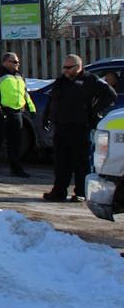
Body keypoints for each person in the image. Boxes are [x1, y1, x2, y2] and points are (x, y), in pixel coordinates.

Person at [40, 55, 117, 202]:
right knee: (61, 162)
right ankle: (59, 191)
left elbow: (110, 96)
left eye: (69, 68)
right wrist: (46, 117)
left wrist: (94, 111)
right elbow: (52, 100)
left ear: (78, 67)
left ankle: (81, 192)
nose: (65, 70)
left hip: (80, 128)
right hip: (61, 127)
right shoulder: (61, 81)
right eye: (64, 67)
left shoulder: (90, 80)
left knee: (80, 162)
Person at [0, 52, 35, 177]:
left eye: (18, 62)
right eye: (14, 62)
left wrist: (31, 108)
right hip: (2, 112)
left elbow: (25, 93)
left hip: (17, 113)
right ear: (5, 62)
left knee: (16, 142)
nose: (18, 64)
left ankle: (16, 168)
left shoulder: (19, 76)